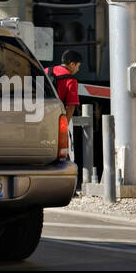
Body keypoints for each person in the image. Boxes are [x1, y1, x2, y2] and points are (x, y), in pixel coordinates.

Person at [47, 51, 82, 190]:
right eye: (78, 66)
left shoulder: (46, 71)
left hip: (39, 120)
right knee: (63, 156)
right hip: (57, 120)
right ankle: (66, 187)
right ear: (72, 64)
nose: (78, 70)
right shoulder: (70, 80)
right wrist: (65, 125)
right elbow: (71, 105)